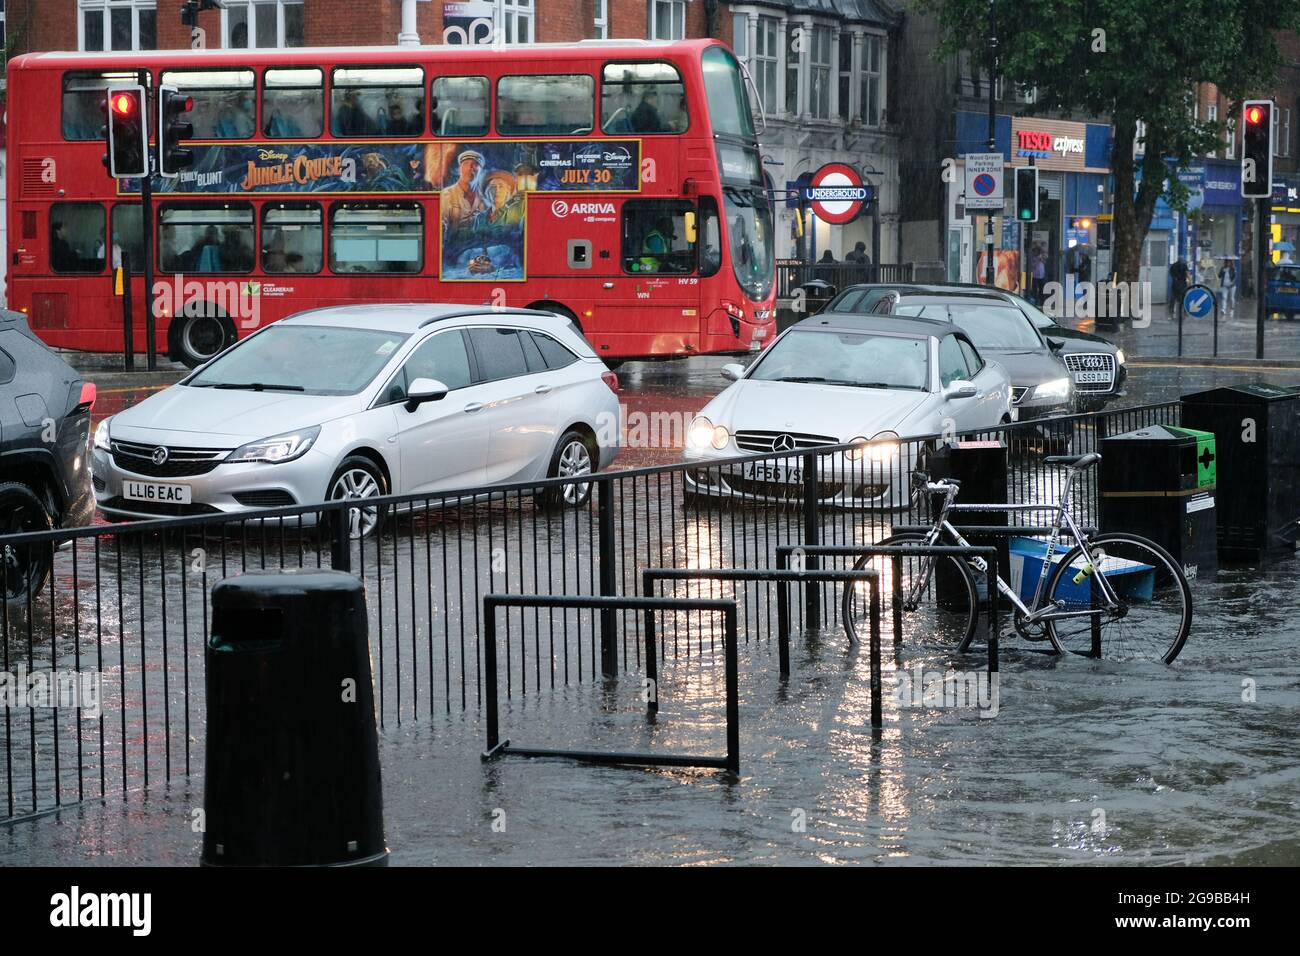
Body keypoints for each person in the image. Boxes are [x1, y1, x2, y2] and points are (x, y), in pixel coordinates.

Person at [441, 150, 487, 232]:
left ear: (481, 171)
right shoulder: (446, 195)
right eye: (465, 164)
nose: (470, 168)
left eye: (475, 164)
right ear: (459, 169)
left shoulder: (485, 199)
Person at [1170, 257, 1189, 321]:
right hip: (1182, 283)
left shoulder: (1173, 265)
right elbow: (1187, 274)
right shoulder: (1184, 265)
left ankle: (1171, 310)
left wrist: (1175, 278)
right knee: (1183, 297)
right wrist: (1191, 282)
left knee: (1174, 297)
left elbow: (1171, 274)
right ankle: (1185, 311)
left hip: (1175, 283)